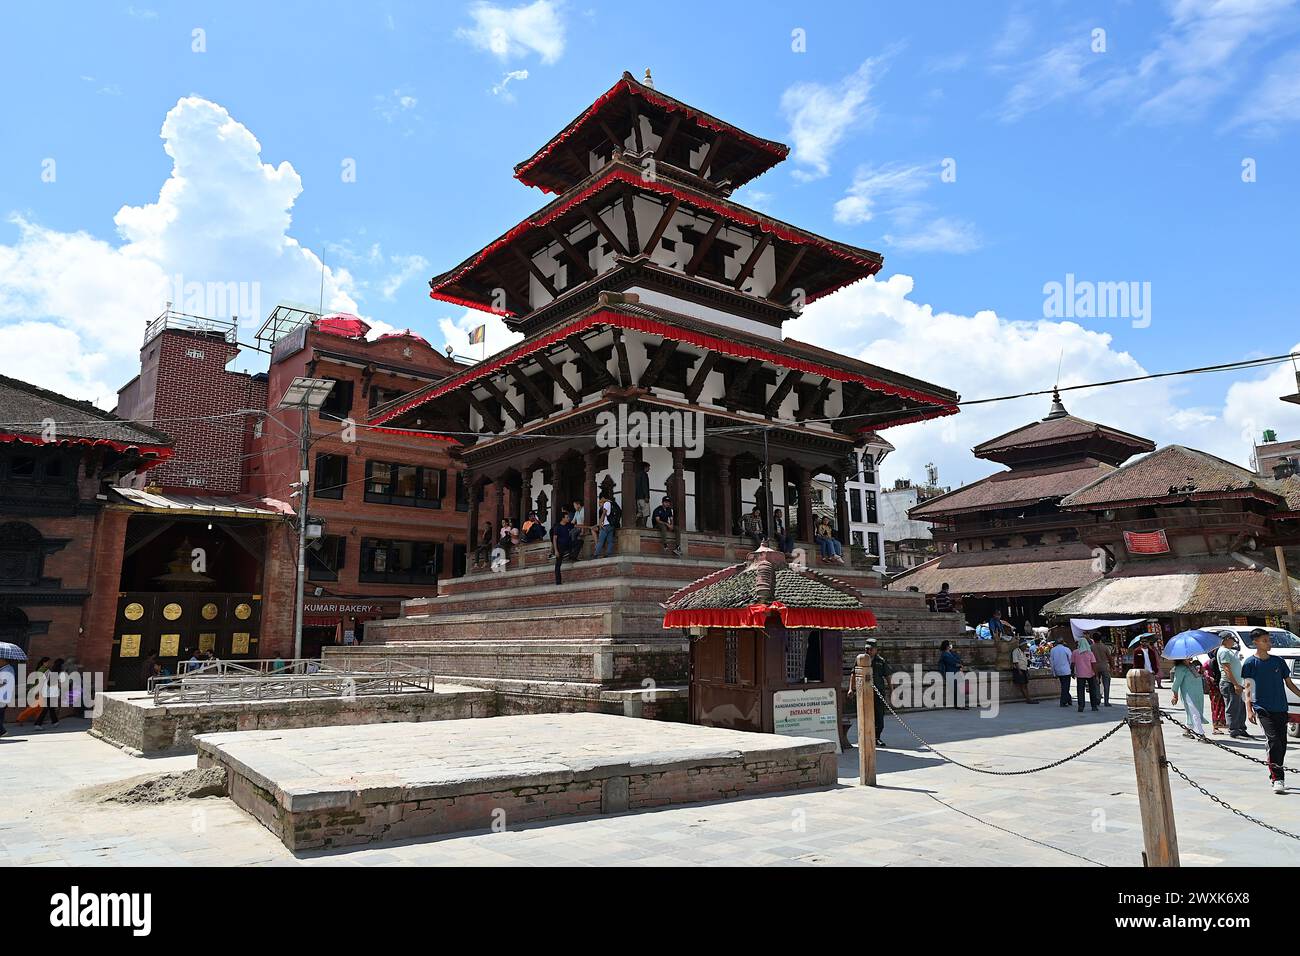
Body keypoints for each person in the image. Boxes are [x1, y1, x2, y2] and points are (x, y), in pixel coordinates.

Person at [1243, 628, 1300, 794]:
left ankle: (1277, 774)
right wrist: (1249, 709)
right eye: (1265, 641)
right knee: (1273, 742)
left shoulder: (1278, 662)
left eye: (1269, 640)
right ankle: (1277, 778)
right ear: (1255, 642)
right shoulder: (1249, 663)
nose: (1269, 643)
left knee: (1282, 744)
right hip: (1262, 708)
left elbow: (1289, 684)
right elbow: (1248, 687)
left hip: (1281, 708)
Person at [1216, 632, 1250, 739]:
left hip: (1236, 683)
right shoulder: (1224, 651)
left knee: (1240, 707)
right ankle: (1234, 729)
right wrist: (1235, 684)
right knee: (1232, 707)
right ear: (1226, 639)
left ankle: (1241, 728)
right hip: (1230, 683)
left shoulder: (1229, 651)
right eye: (1232, 639)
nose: (1233, 642)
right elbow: (1227, 669)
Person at [863, 637, 894, 746]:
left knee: (879, 715)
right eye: (867, 649)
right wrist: (850, 689)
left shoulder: (881, 661)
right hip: (865, 692)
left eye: (871, 649)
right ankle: (866, 736)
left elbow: (888, 675)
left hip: (878, 692)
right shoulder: (861, 660)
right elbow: (853, 673)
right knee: (865, 715)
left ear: (876, 650)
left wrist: (891, 689)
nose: (869, 651)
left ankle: (877, 737)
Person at [1169, 657, 1206, 738]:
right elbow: (1176, 683)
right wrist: (1175, 696)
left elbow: (1199, 676)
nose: (1190, 657)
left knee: (1195, 711)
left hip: (1198, 693)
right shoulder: (1180, 668)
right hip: (1189, 694)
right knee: (1195, 712)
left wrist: (1202, 671)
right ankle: (1200, 733)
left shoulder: (1193, 665)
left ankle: (1187, 729)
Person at [550, 510, 580, 585]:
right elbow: (554, 538)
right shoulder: (557, 527)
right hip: (560, 547)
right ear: (562, 518)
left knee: (579, 542)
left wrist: (589, 527)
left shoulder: (568, 525)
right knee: (558, 564)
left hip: (568, 544)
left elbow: (577, 526)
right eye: (567, 517)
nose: (568, 518)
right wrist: (556, 550)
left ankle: (572, 556)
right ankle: (558, 581)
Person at [938, 640, 969, 709]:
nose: (951, 645)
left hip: (957, 672)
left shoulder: (951, 653)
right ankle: (959, 705)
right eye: (950, 644)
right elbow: (953, 662)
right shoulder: (945, 654)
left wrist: (960, 664)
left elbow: (958, 659)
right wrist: (959, 665)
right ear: (947, 646)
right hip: (951, 673)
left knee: (960, 689)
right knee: (957, 690)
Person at [34, 658, 64, 727]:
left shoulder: (48, 671)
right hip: (52, 693)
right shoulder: (59, 674)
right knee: (46, 708)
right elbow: (59, 685)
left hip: (46, 692)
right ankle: (38, 724)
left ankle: (55, 722)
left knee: (51, 708)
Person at [1071, 639, 1099, 713]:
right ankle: (1094, 706)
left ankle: (1081, 706)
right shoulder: (1090, 653)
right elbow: (1093, 664)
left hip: (1080, 674)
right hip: (1090, 674)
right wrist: (1096, 674)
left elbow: (1072, 663)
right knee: (1092, 690)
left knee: (1080, 691)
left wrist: (1072, 672)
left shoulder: (1075, 652)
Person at [1203, 648, 1226, 734]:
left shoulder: (1219, 661)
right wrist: (1210, 678)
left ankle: (1221, 723)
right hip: (1214, 688)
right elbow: (1207, 675)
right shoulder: (1208, 663)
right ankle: (1215, 727)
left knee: (1222, 705)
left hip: (1221, 686)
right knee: (1216, 706)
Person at [1049, 634, 1074, 707]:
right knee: (1066, 686)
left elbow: (1052, 662)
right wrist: (1071, 670)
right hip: (1066, 670)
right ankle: (1063, 701)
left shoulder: (1053, 650)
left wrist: (1054, 672)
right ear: (1063, 642)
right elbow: (1071, 660)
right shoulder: (1066, 649)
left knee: (1064, 686)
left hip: (1058, 670)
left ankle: (1068, 699)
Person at [1093, 638, 1115, 707]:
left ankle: (1097, 699)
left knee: (1096, 684)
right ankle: (1106, 701)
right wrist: (1113, 666)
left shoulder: (1091, 647)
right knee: (1106, 685)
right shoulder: (1105, 647)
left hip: (1095, 667)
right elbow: (1110, 657)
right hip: (1104, 667)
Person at [594, 493, 617, 558]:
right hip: (612, 525)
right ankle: (608, 554)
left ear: (603, 498)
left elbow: (604, 513)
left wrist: (600, 523)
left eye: (600, 499)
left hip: (606, 525)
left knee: (600, 541)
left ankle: (596, 554)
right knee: (610, 541)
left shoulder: (606, 503)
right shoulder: (612, 503)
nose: (600, 501)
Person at [635, 462, 651, 528]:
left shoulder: (637, 475)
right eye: (648, 467)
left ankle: (632, 523)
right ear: (645, 467)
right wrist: (646, 496)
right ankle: (644, 526)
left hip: (638, 497)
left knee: (640, 513)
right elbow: (644, 486)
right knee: (646, 512)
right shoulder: (644, 474)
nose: (649, 468)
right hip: (643, 497)